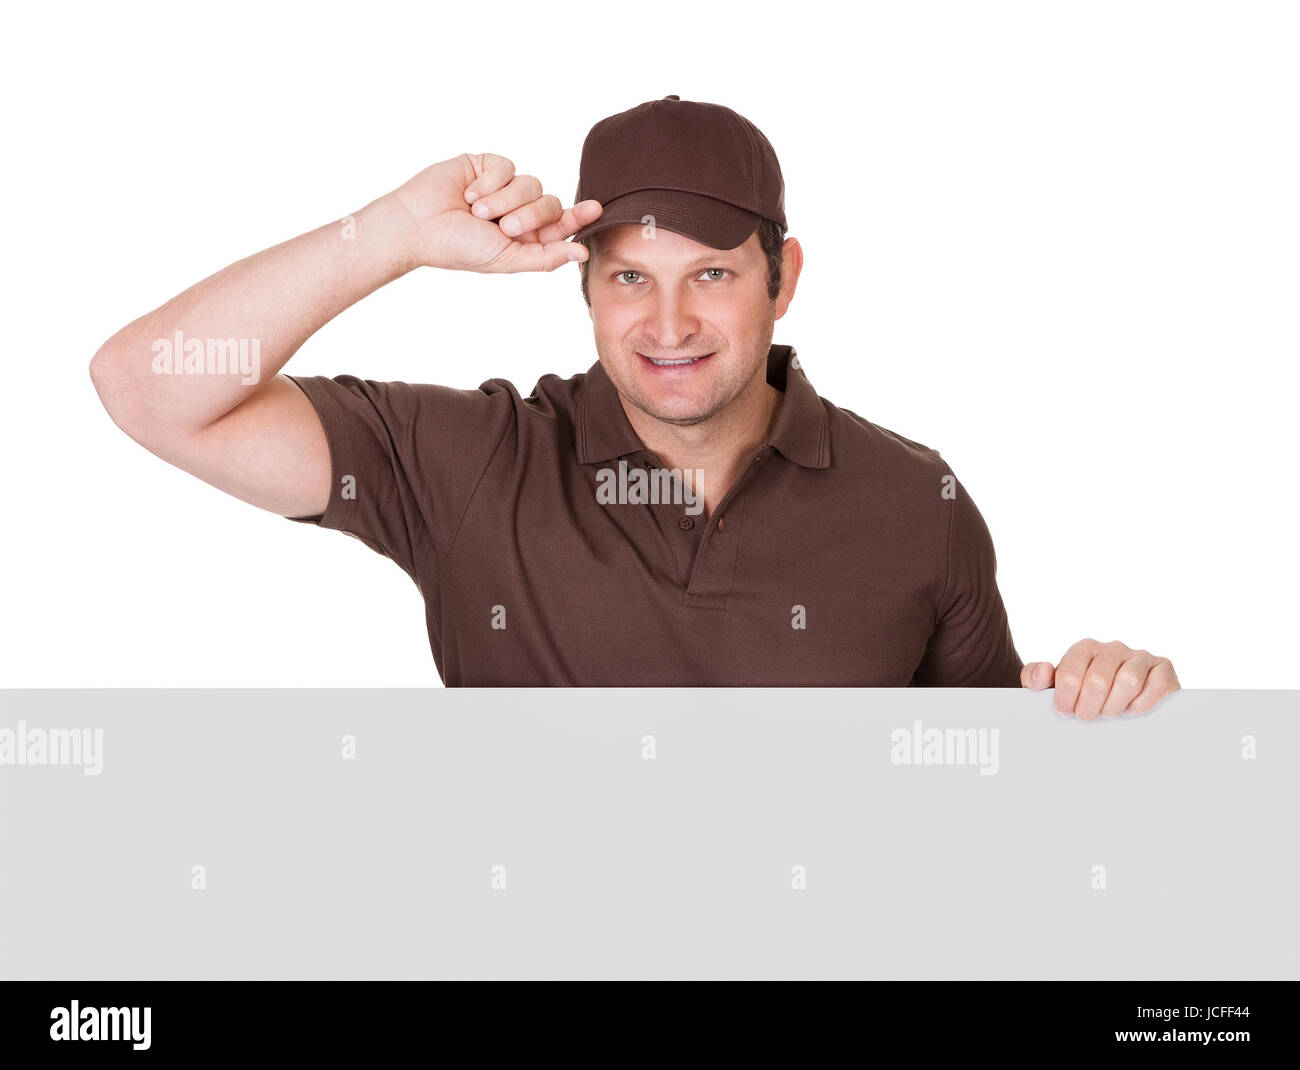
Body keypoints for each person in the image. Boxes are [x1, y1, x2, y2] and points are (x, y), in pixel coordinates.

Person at [89, 95, 1179, 716]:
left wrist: (1113, 705)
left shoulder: (915, 500)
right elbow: (148, 385)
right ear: (581, 286)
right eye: (627, 277)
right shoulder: (472, 459)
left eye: (711, 273)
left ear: (781, 278)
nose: (667, 324)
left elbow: (992, 801)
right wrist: (386, 237)